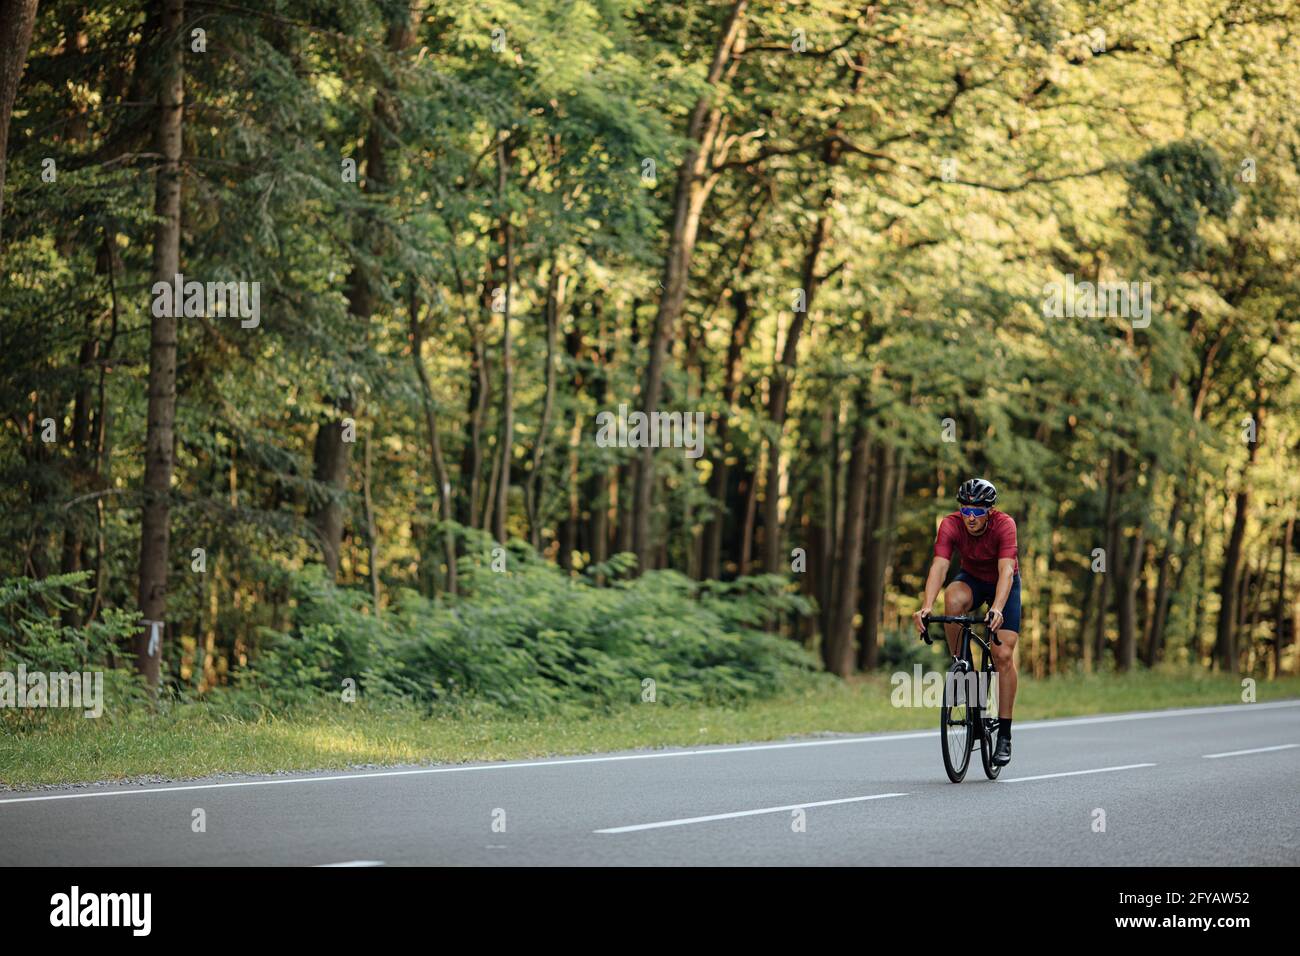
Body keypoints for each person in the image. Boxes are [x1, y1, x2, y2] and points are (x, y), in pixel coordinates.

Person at [912, 478, 1020, 766]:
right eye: (966, 511)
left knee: (1003, 654)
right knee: (953, 598)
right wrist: (925, 606)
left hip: (1002, 584)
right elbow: (940, 565)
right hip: (972, 580)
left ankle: (1005, 735)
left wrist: (997, 609)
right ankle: (964, 669)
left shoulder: (1005, 525)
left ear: (990, 511)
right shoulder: (950, 524)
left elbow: (1006, 570)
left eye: (978, 512)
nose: (971, 518)